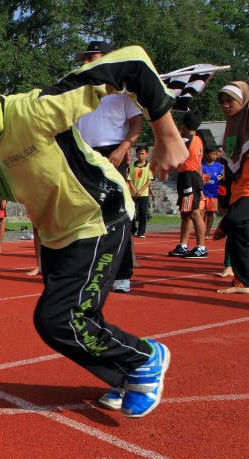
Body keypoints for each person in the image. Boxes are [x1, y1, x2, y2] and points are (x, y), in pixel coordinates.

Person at [0, 39, 188, 418]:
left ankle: (145, 357)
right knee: (71, 319)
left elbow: (133, 61)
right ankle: (124, 375)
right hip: (57, 230)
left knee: (58, 318)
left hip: (99, 215)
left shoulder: (35, 111)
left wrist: (167, 134)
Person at [75, 41, 143, 293]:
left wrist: (122, 149)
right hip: (85, 154)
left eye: (92, 58)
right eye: (85, 58)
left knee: (116, 213)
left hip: (114, 152)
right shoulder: (80, 91)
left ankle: (122, 274)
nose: (86, 62)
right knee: (86, 213)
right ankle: (88, 271)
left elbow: (136, 124)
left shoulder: (123, 92)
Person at [212, 82, 249, 294]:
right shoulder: (232, 125)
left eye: (230, 101)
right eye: (222, 102)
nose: (226, 106)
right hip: (237, 187)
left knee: (234, 223)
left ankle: (224, 226)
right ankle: (242, 282)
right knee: (241, 238)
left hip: (248, 189)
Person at [168, 110, 208, 259]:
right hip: (191, 176)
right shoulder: (197, 139)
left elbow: (172, 147)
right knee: (185, 213)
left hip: (189, 177)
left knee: (194, 212)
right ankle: (183, 245)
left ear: (184, 124)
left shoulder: (185, 139)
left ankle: (201, 247)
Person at [126, 146, 154, 238]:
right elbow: (129, 179)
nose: (140, 156)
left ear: (146, 154)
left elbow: (149, 180)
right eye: (138, 153)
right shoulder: (132, 166)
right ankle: (132, 229)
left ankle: (141, 232)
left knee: (143, 212)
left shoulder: (149, 166)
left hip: (144, 194)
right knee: (132, 212)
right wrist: (134, 190)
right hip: (133, 193)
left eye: (142, 154)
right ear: (136, 154)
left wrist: (141, 190)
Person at [201, 147, 224, 239]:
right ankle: (200, 231)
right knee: (200, 212)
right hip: (202, 192)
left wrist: (215, 179)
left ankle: (207, 233)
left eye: (216, 154)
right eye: (213, 154)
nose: (215, 156)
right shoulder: (201, 165)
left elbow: (221, 175)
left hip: (213, 193)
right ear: (206, 154)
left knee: (211, 213)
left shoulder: (219, 166)